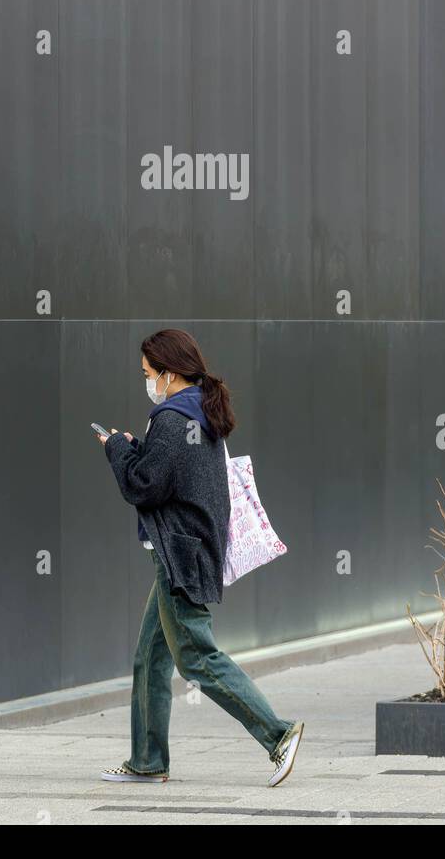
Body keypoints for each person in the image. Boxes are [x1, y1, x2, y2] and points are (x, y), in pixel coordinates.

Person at [96, 327, 304, 787]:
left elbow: (143, 486)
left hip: (178, 556)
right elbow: (166, 476)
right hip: (186, 551)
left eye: (148, 373)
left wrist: (115, 449)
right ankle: (148, 760)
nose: (145, 381)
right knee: (151, 657)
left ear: (169, 374)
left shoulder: (171, 418)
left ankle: (278, 735)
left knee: (197, 658)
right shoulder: (198, 411)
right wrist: (133, 448)